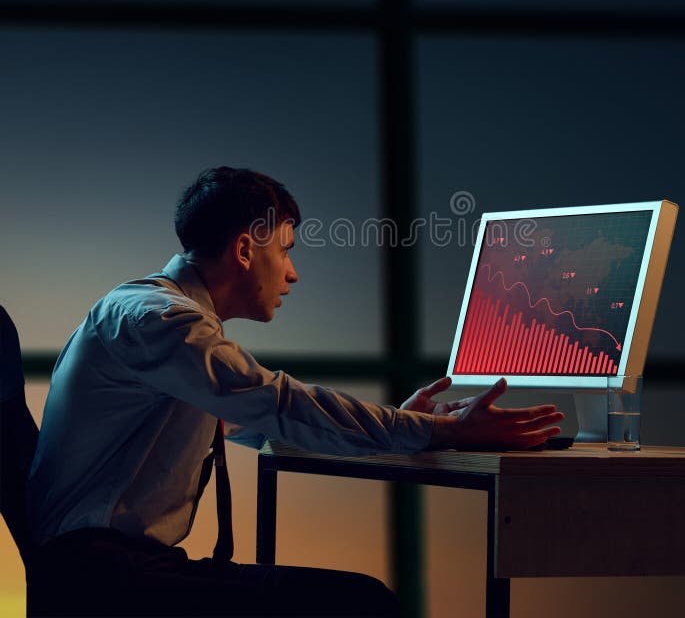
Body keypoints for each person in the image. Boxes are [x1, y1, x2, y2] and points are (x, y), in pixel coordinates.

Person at [26, 166, 564, 617]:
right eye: (284, 250)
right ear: (243, 250)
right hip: (100, 579)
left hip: (106, 570)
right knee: (361, 603)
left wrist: (406, 425)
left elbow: (264, 421)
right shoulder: (161, 321)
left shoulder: (161, 322)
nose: (292, 273)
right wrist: (437, 430)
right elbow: (278, 403)